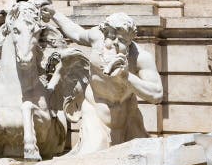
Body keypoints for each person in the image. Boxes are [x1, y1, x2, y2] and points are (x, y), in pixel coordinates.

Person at [49, 9, 163, 154]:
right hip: (95, 110)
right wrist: (53, 13)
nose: (113, 43)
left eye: (121, 40)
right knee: (93, 154)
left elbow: (157, 94)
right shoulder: (97, 38)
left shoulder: (140, 58)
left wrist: (127, 77)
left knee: (140, 159)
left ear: (129, 41)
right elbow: (75, 32)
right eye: (110, 36)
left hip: (128, 116)